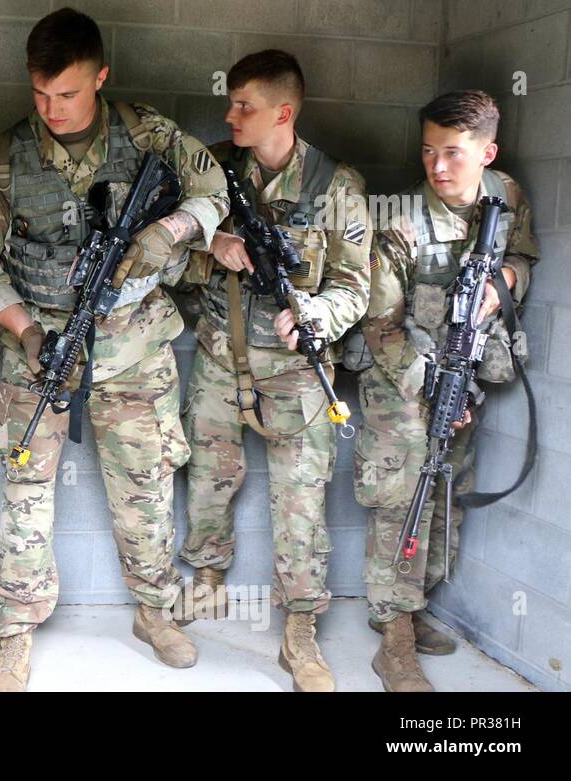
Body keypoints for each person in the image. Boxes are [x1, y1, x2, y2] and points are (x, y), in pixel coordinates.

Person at [0, 7, 228, 691]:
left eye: (69, 93)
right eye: (40, 94)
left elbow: (213, 191)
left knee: (145, 489)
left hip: (135, 349)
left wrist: (167, 232)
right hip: (43, 345)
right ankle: (15, 633)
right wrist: (26, 332)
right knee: (24, 489)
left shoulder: (148, 133)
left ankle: (155, 611)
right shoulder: (1, 158)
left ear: (101, 77)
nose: (52, 109)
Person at [177, 50, 371, 692]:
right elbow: (162, 256)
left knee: (301, 505)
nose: (229, 115)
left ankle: (300, 630)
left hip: (296, 373)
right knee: (207, 477)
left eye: (244, 106)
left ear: (283, 113)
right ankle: (205, 582)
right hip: (218, 357)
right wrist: (212, 245)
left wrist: (315, 314)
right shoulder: (210, 169)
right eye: (231, 103)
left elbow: (355, 286)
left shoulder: (336, 186)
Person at [355, 89, 539, 692]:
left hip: (466, 374)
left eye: (453, 153)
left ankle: (416, 601)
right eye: (428, 151)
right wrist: (432, 390)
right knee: (401, 496)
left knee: (448, 495)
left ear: (489, 152)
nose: (437, 167)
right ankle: (394, 636)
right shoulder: (400, 225)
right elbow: (379, 327)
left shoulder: (506, 195)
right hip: (401, 376)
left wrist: (506, 279)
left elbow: (523, 255)